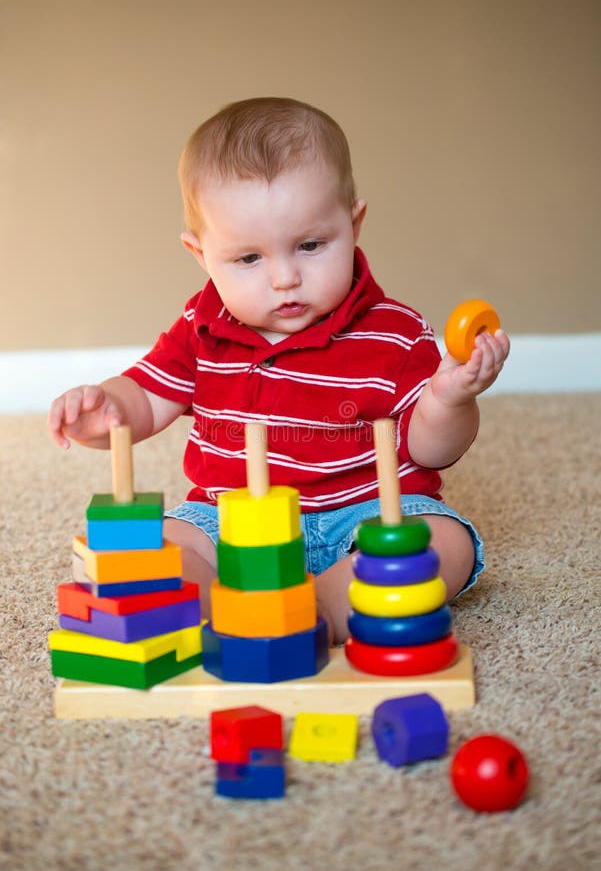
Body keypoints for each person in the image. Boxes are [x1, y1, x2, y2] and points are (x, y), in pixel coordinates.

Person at [47, 97, 510, 645]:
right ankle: (218, 613)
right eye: (249, 259)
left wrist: (451, 397)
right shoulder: (201, 325)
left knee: (443, 540)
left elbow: (433, 451)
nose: (285, 277)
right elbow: (145, 400)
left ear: (354, 223)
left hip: (361, 519)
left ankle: (321, 614)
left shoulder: (396, 332)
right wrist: (105, 409)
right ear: (201, 254)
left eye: (310, 245)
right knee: (143, 549)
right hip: (229, 524)